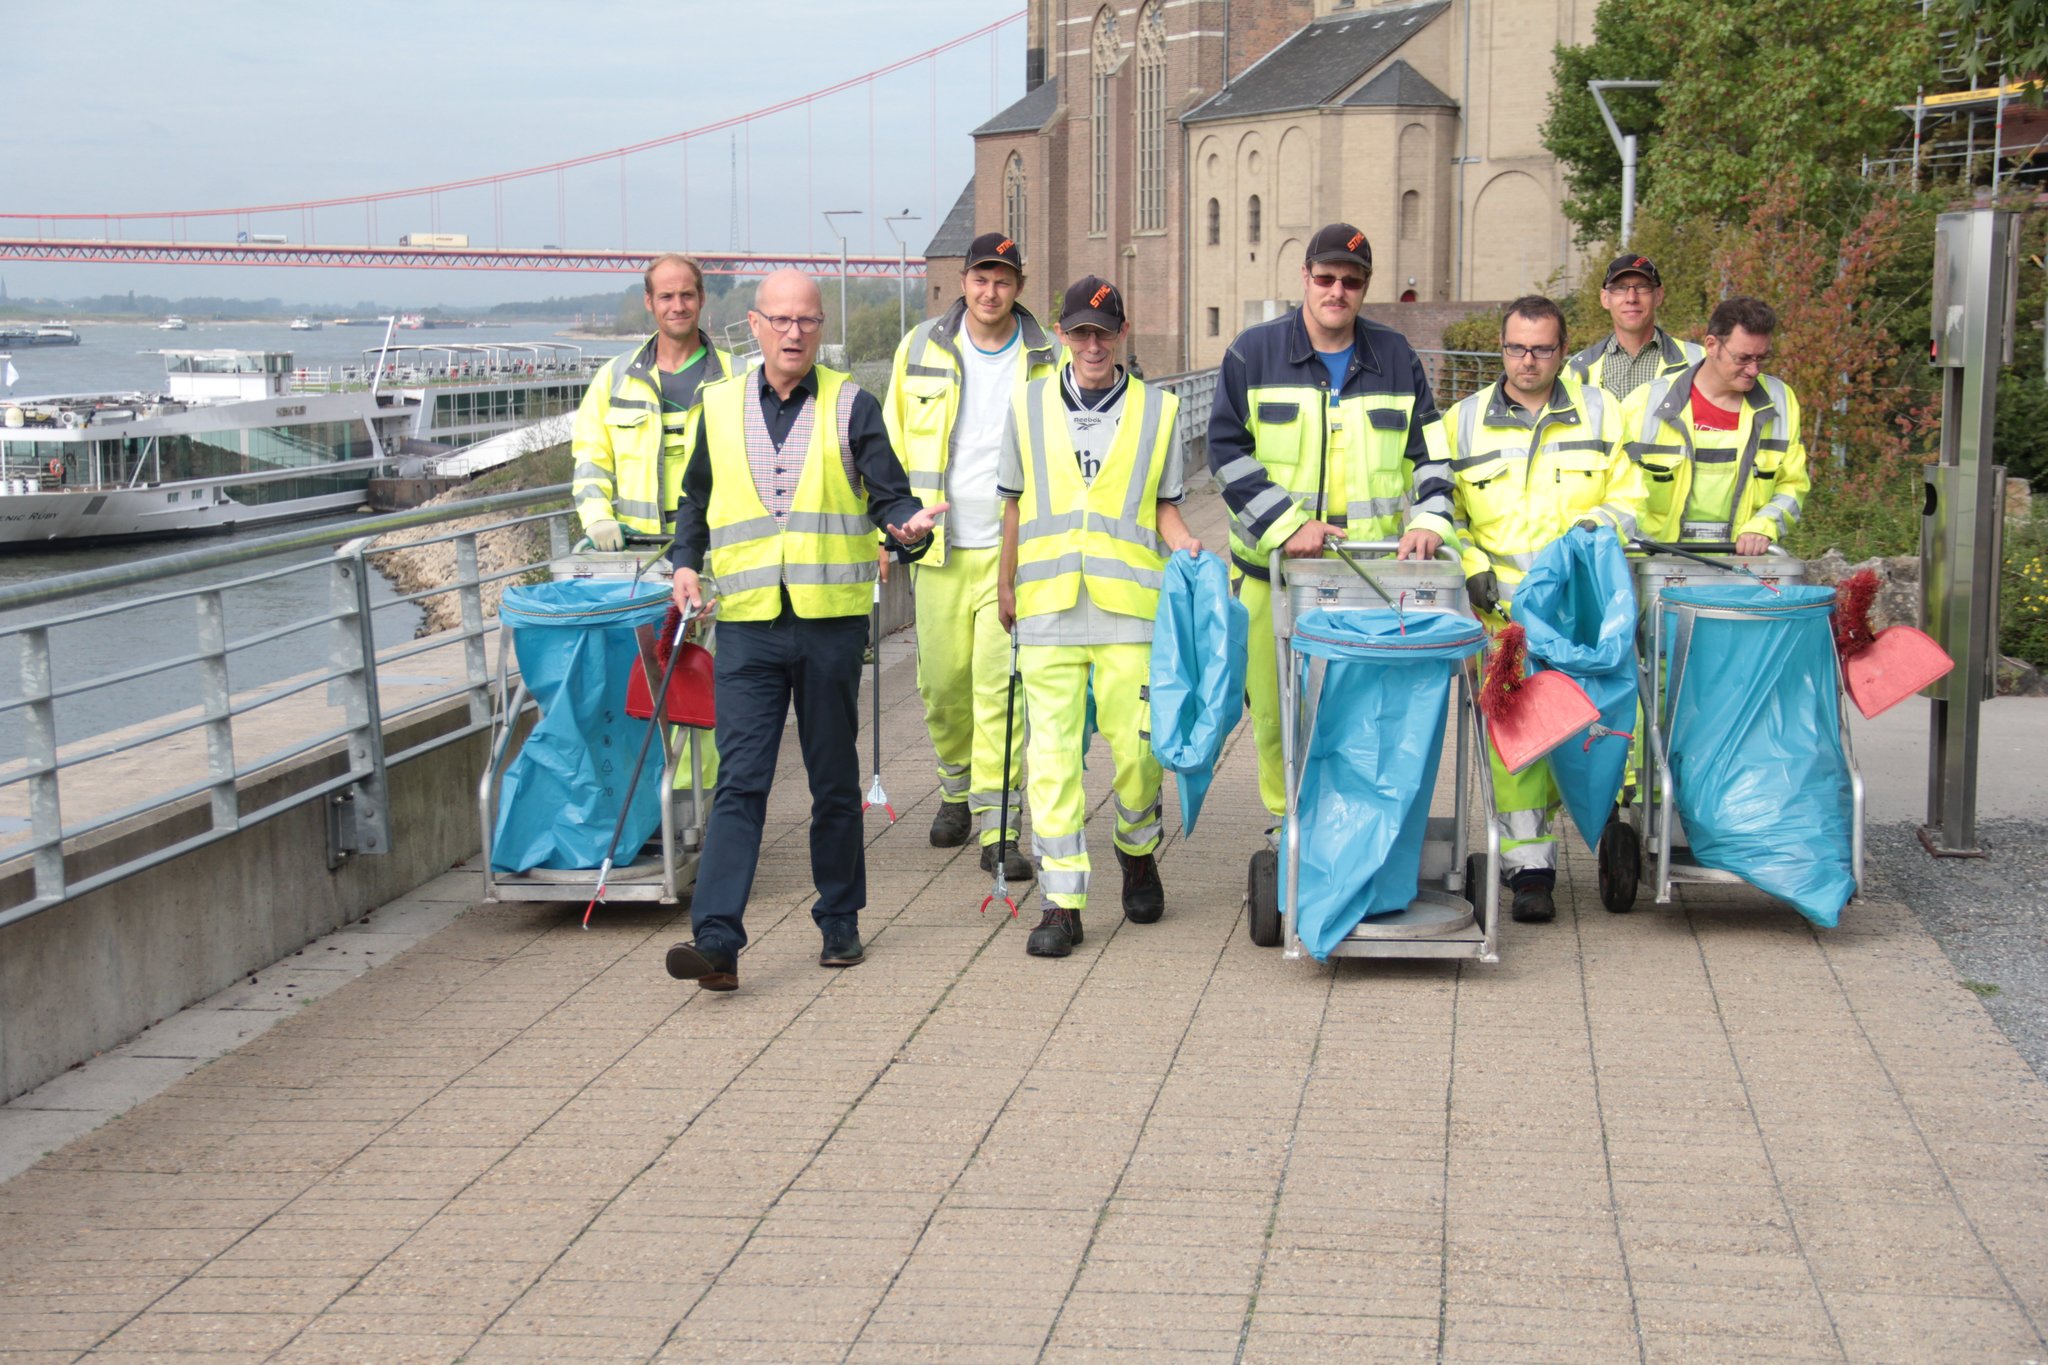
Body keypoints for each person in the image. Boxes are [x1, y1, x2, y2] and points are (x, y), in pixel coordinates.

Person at [662, 270, 946, 992]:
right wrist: (685, 565)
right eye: (781, 320)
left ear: (822, 330)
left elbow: (891, 496)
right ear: (753, 325)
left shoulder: (853, 404)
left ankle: (840, 919)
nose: (794, 332)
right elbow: (695, 499)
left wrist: (906, 529)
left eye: (808, 321)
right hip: (749, 627)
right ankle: (718, 942)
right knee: (741, 780)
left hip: (829, 625)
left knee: (832, 779)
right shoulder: (718, 406)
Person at [1207, 223, 1454, 835]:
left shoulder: (1397, 357)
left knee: (1365, 712)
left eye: (1351, 281)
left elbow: (1432, 453)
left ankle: (1358, 829)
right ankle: (1285, 825)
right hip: (1276, 574)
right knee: (1274, 712)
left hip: (1370, 577)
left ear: (1365, 287)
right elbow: (1225, 451)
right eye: (1326, 278)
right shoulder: (1252, 352)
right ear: (1305, 279)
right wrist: (1287, 524)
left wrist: (1428, 519)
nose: (1337, 291)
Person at [994, 276, 1200, 958]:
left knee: (1139, 752)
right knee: (1050, 755)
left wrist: (1191, 550)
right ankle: (1063, 899)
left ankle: (1137, 850)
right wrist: (1004, 585)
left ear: (1121, 334)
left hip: (1131, 611)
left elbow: (1167, 504)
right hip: (1048, 609)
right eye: (1079, 331)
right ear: (1060, 334)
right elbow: (1016, 504)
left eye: (1102, 331)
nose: (1090, 343)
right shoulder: (1025, 407)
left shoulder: (1159, 411)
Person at [1447, 296, 1643, 923]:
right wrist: (1471, 566)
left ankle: (1594, 822)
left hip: (1581, 614)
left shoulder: (1601, 411)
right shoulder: (1463, 421)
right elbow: (1439, 510)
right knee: (1518, 739)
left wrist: (1587, 542)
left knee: (1587, 728)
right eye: (1515, 348)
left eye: (1541, 349)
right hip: (1502, 617)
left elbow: (1631, 498)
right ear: (1500, 348)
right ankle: (1529, 868)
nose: (1527, 360)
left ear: (1564, 351)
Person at [883, 233, 1058, 879]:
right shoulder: (922, 346)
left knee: (999, 687)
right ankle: (954, 789)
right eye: (981, 278)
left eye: (1004, 280)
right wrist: (889, 523)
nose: (991, 291)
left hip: (1013, 550)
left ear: (1019, 284)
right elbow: (893, 441)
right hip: (939, 549)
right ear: (963, 281)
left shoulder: (1047, 356)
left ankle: (999, 827)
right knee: (945, 686)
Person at [571, 253, 735, 550]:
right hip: (638, 553)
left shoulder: (739, 378)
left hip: (718, 551)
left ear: (702, 297)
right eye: (666, 296)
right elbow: (590, 460)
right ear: (649, 301)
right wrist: (596, 519)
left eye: (687, 295)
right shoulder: (613, 379)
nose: (678, 306)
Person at [1621, 296, 1808, 556]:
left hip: (1743, 566)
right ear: (1711, 345)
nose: (1754, 370)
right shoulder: (1644, 403)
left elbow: (1793, 484)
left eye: (1762, 358)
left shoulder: (1781, 400)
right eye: (1743, 358)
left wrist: (1763, 527)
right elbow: (1618, 488)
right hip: (1657, 564)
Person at [1564, 254, 1704, 403]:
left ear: (1658, 296)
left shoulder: (1699, 361)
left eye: (1642, 287)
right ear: (1605, 298)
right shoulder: (1578, 369)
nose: (1631, 298)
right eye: (1620, 288)